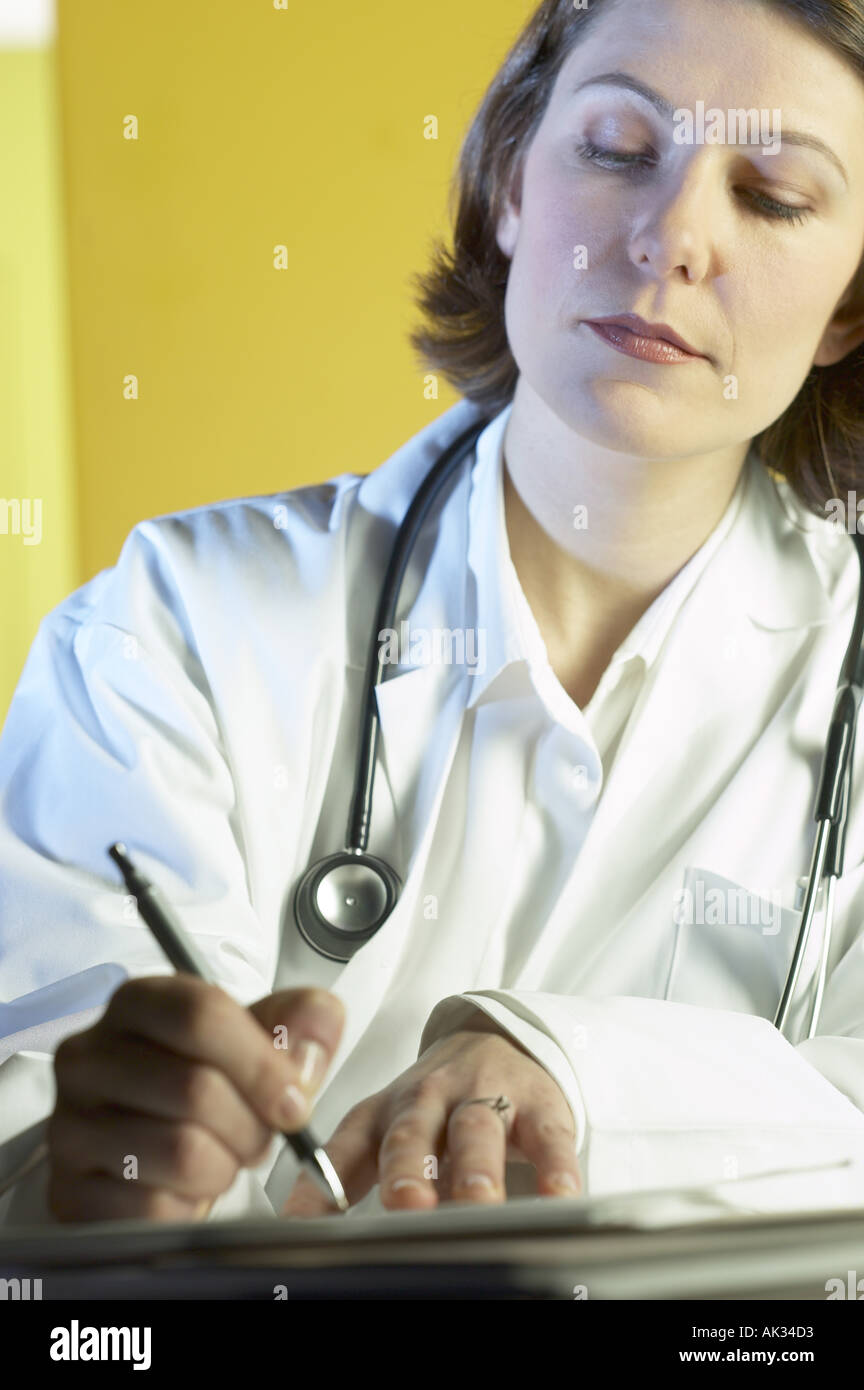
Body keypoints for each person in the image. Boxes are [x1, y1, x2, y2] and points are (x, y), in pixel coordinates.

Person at [2, 0, 864, 1227]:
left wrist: (576, 1066)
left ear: (848, 309)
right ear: (512, 185)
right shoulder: (174, 629)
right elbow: (36, 1124)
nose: (671, 238)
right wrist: (91, 1165)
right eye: (619, 149)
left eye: (774, 194)